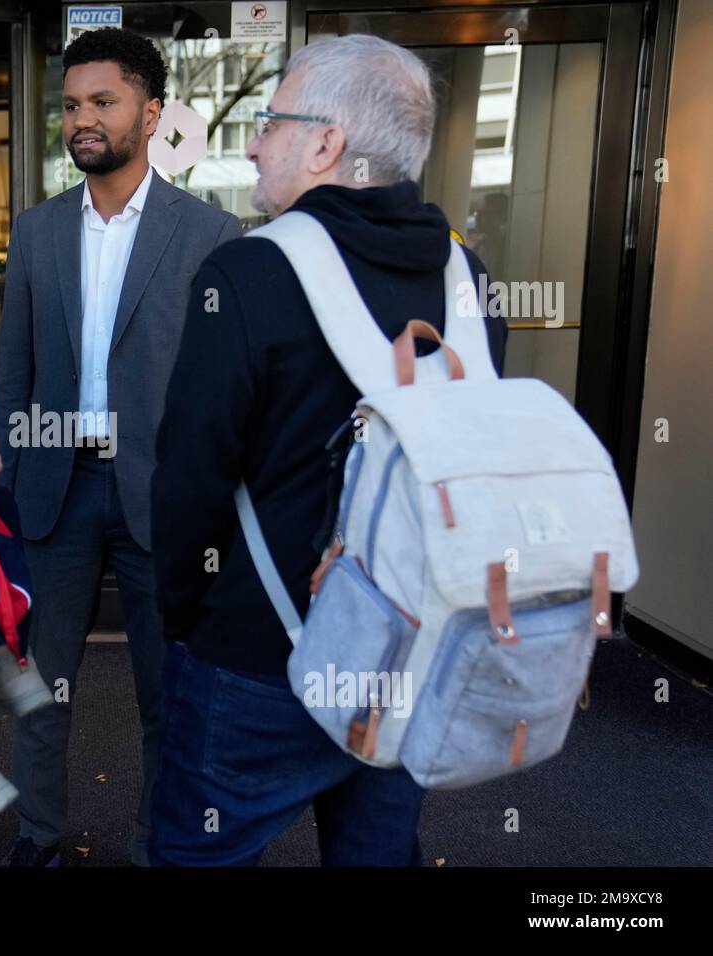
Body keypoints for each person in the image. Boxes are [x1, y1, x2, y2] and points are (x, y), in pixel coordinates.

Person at [147, 34, 508, 867]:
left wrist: (191, 623)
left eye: (271, 121)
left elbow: (189, 482)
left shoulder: (242, 274)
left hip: (255, 652)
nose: (254, 140)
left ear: (326, 144)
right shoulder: (468, 277)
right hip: (412, 647)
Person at [0, 27, 242, 867]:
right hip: (53, 492)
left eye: (103, 102)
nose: (82, 120)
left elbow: (222, 391)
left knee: (166, 693)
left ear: (152, 111)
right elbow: (15, 373)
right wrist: (11, 479)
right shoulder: (36, 231)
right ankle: (37, 838)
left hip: (161, 495)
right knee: (37, 689)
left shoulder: (211, 233)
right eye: (71, 105)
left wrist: (207, 499)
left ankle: (158, 844)